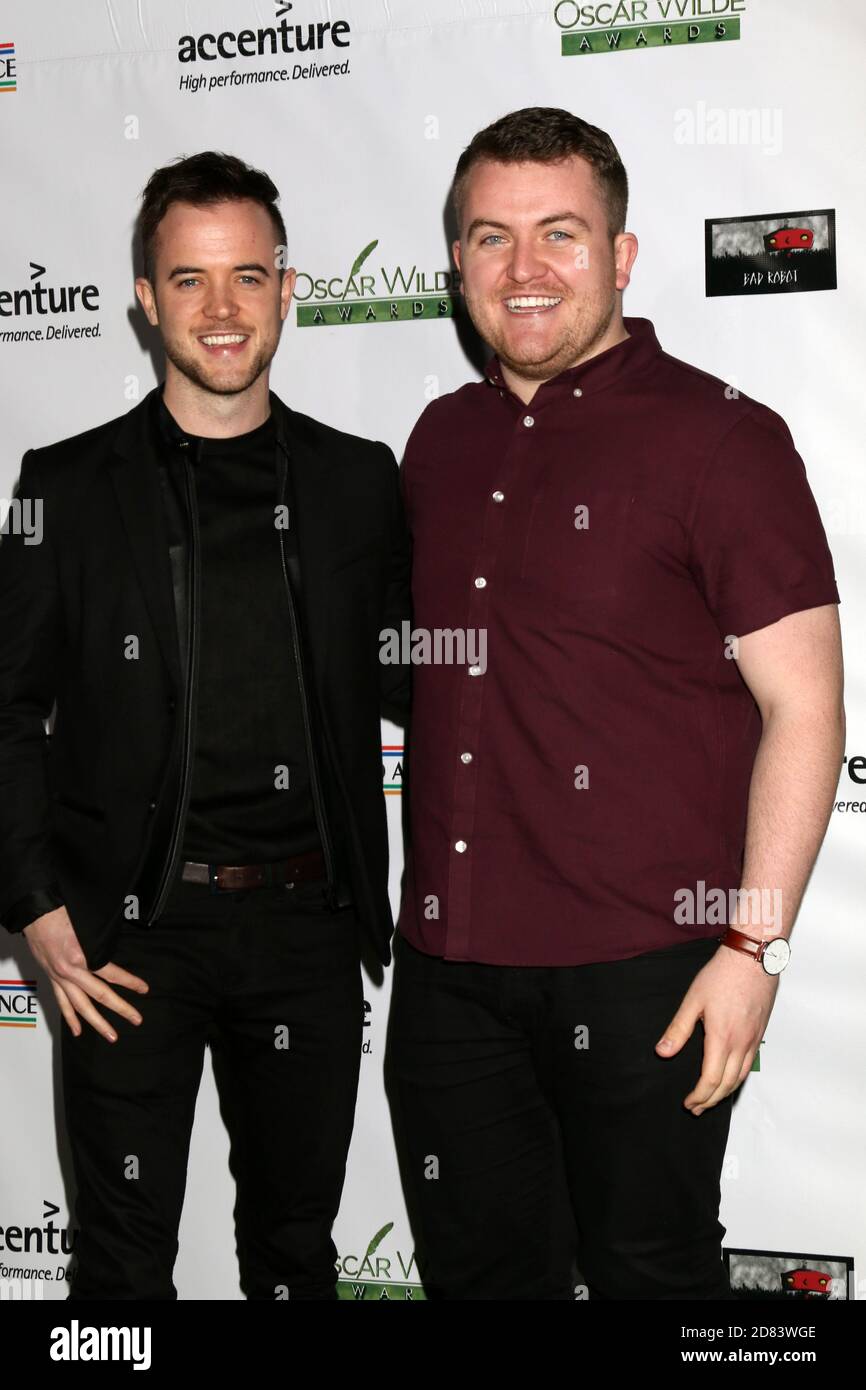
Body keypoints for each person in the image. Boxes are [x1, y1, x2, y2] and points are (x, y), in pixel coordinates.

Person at [387, 107, 844, 1300]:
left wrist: (752, 945)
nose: (523, 270)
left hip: (648, 971)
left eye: (559, 235)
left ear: (622, 255)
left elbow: (805, 711)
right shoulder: (435, 442)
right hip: (447, 971)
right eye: (490, 239)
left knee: (652, 1279)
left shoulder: (722, 439)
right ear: (456, 265)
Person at [0, 151, 411, 1300]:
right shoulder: (66, 487)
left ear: (289, 287)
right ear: (145, 298)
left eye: (246, 276)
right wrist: (37, 903)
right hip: (131, 941)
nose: (220, 309)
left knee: (294, 1255)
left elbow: (420, 678)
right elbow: (5, 704)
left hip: (306, 933)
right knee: (119, 1269)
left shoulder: (357, 481)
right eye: (189, 280)